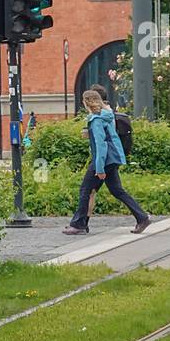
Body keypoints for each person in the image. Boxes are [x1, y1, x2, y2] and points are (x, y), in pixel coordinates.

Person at [63, 89, 151, 236]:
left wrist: (99, 168)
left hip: (105, 160)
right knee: (117, 190)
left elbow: (101, 144)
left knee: (85, 189)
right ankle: (142, 218)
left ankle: (78, 224)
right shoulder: (107, 115)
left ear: (87, 102)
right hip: (114, 157)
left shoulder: (96, 120)